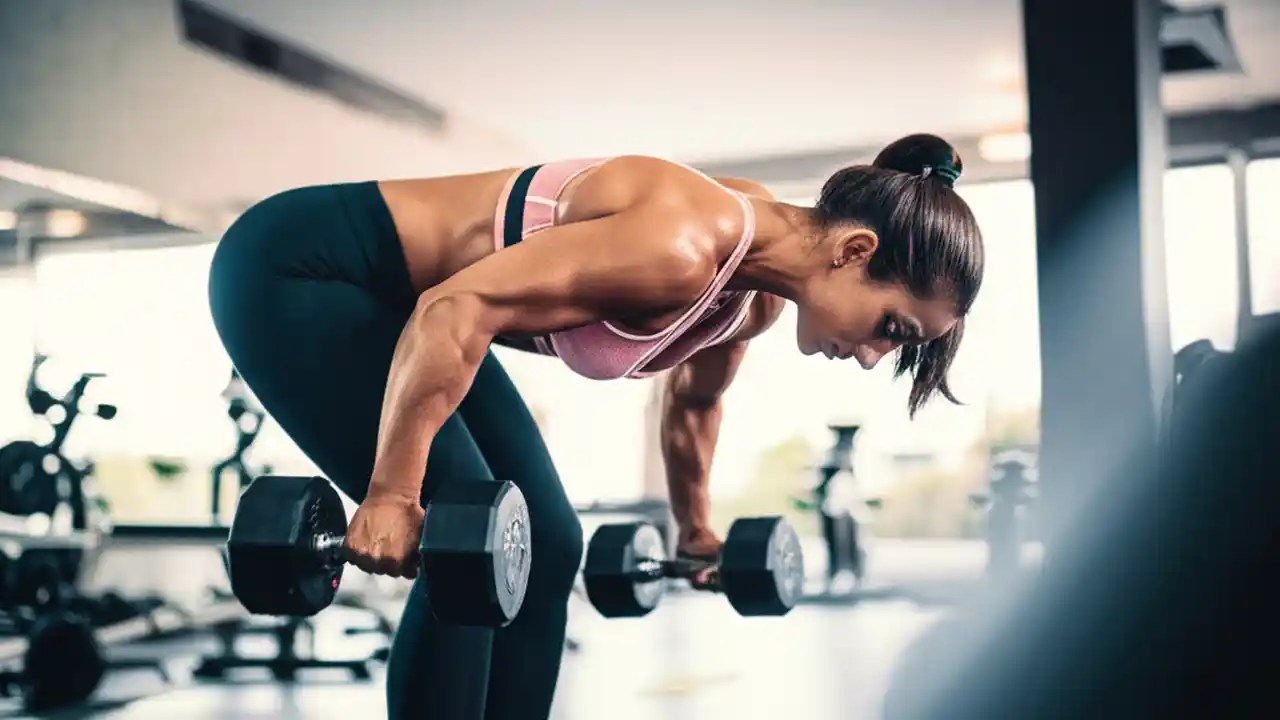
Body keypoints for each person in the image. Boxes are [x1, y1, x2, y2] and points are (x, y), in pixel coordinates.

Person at [206, 133, 984, 719]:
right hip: (304, 269)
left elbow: (695, 404)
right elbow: (454, 309)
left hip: (403, 311)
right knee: (469, 539)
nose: (878, 357)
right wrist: (390, 492)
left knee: (546, 543)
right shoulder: (681, 247)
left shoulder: (755, 298)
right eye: (895, 330)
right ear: (855, 250)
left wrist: (696, 529)